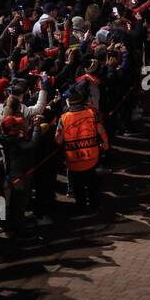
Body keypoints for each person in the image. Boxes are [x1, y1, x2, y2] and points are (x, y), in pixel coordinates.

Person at [57, 87, 109, 215]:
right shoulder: (91, 113)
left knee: (78, 186)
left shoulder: (63, 118)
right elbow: (101, 130)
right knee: (92, 184)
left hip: (73, 159)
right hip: (91, 157)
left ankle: (81, 207)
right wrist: (105, 144)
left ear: (69, 102)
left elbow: (58, 139)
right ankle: (95, 206)